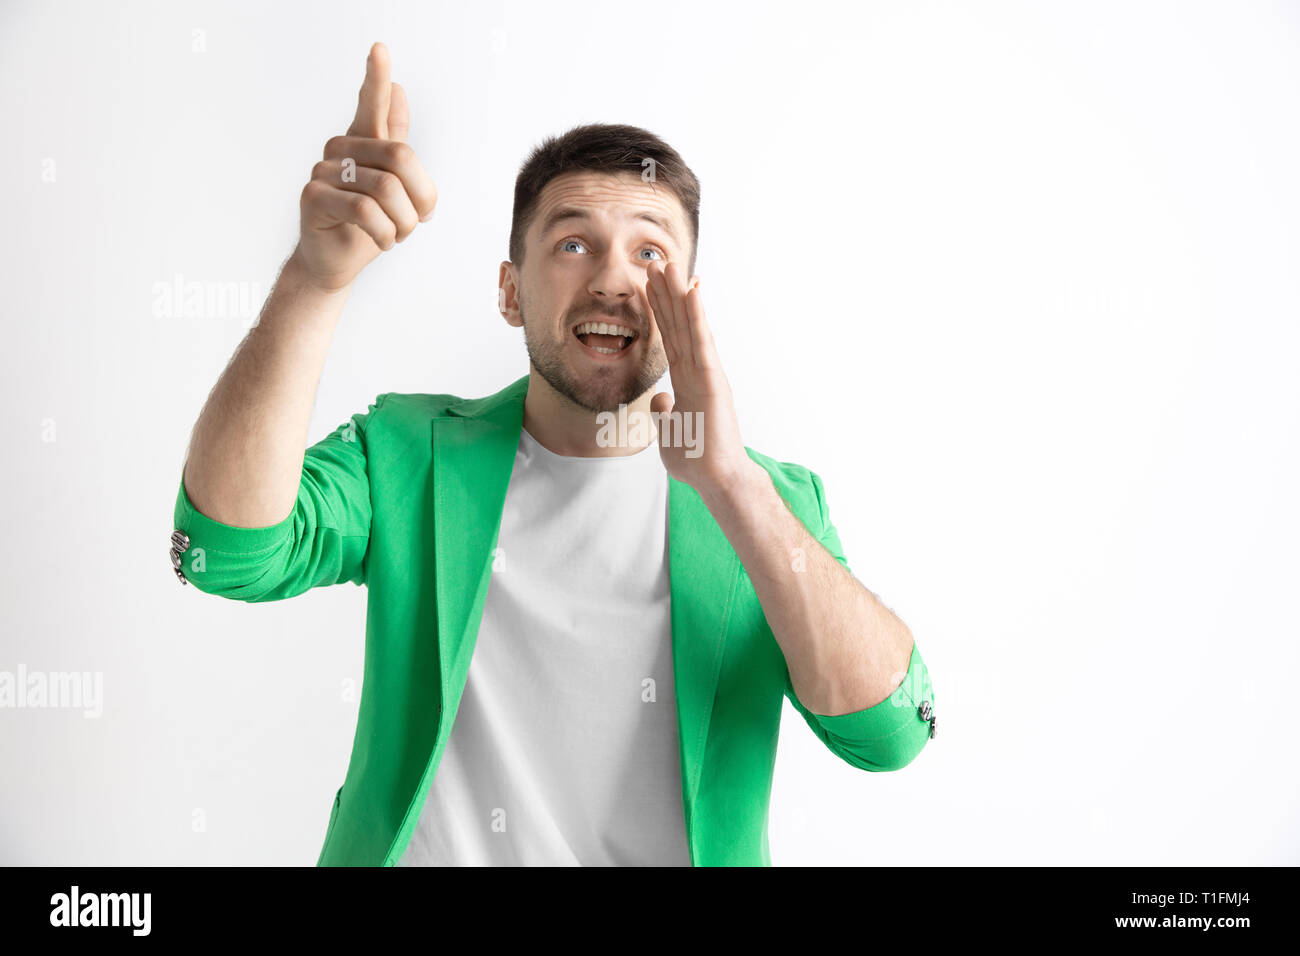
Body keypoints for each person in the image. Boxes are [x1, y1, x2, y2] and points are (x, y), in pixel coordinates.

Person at [169, 41, 936, 867]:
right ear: (510, 290)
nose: (614, 279)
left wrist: (733, 484)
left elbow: (889, 734)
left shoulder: (769, 503)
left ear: (688, 300)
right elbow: (222, 554)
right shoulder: (407, 456)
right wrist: (315, 280)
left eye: (651, 252)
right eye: (574, 244)